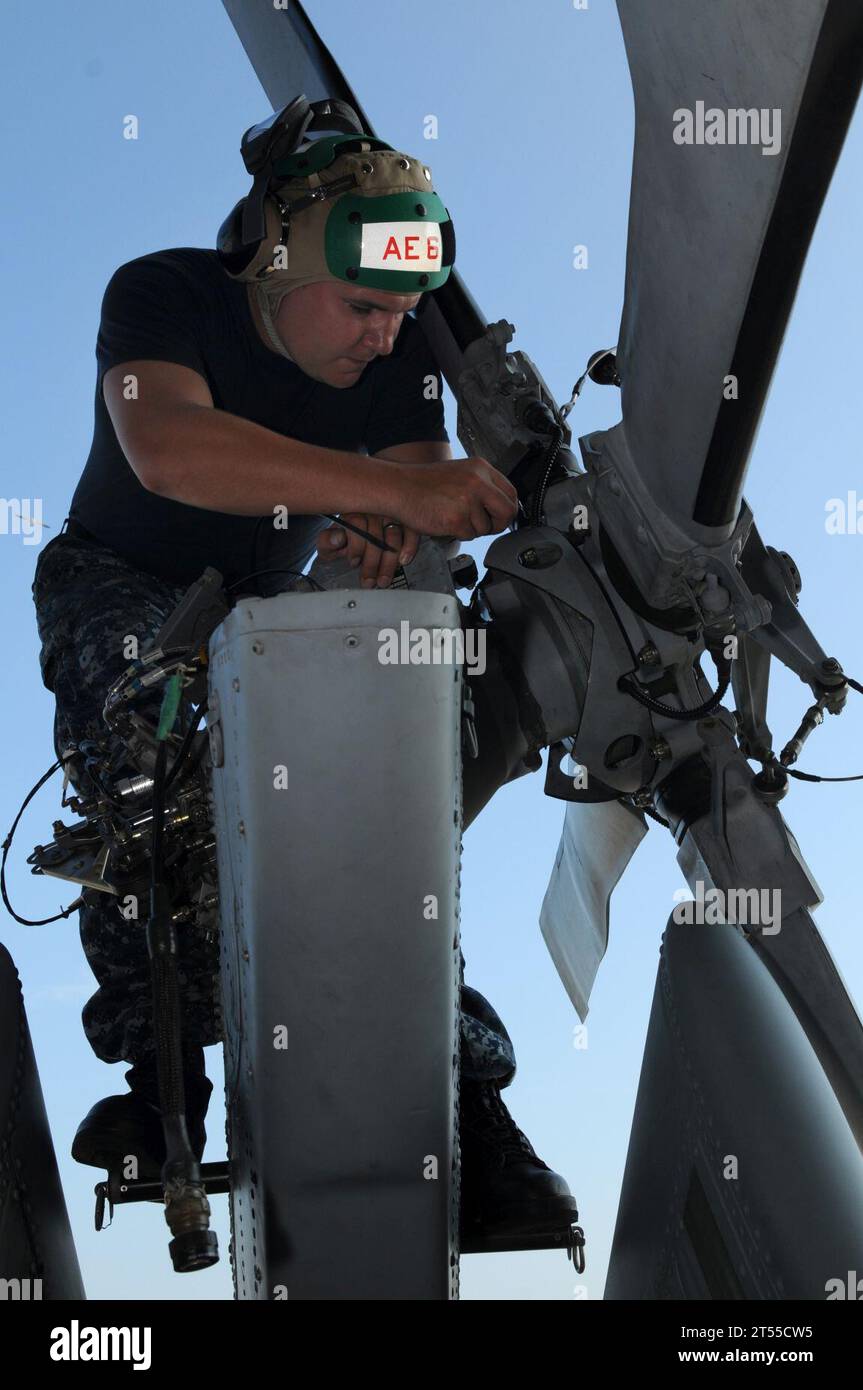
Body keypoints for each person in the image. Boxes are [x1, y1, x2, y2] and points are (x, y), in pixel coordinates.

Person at [31, 120, 578, 1239]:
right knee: (152, 754)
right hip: (118, 576)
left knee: (374, 770)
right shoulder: (162, 295)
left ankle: (461, 1095)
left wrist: (388, 515)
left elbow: (419, 480)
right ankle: (160, 1078)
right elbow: (170, 449)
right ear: (280, 262)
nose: (384, 338)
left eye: (397, 312)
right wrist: (377, 491)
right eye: (360, 307)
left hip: (262, 601)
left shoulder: (396, 353)